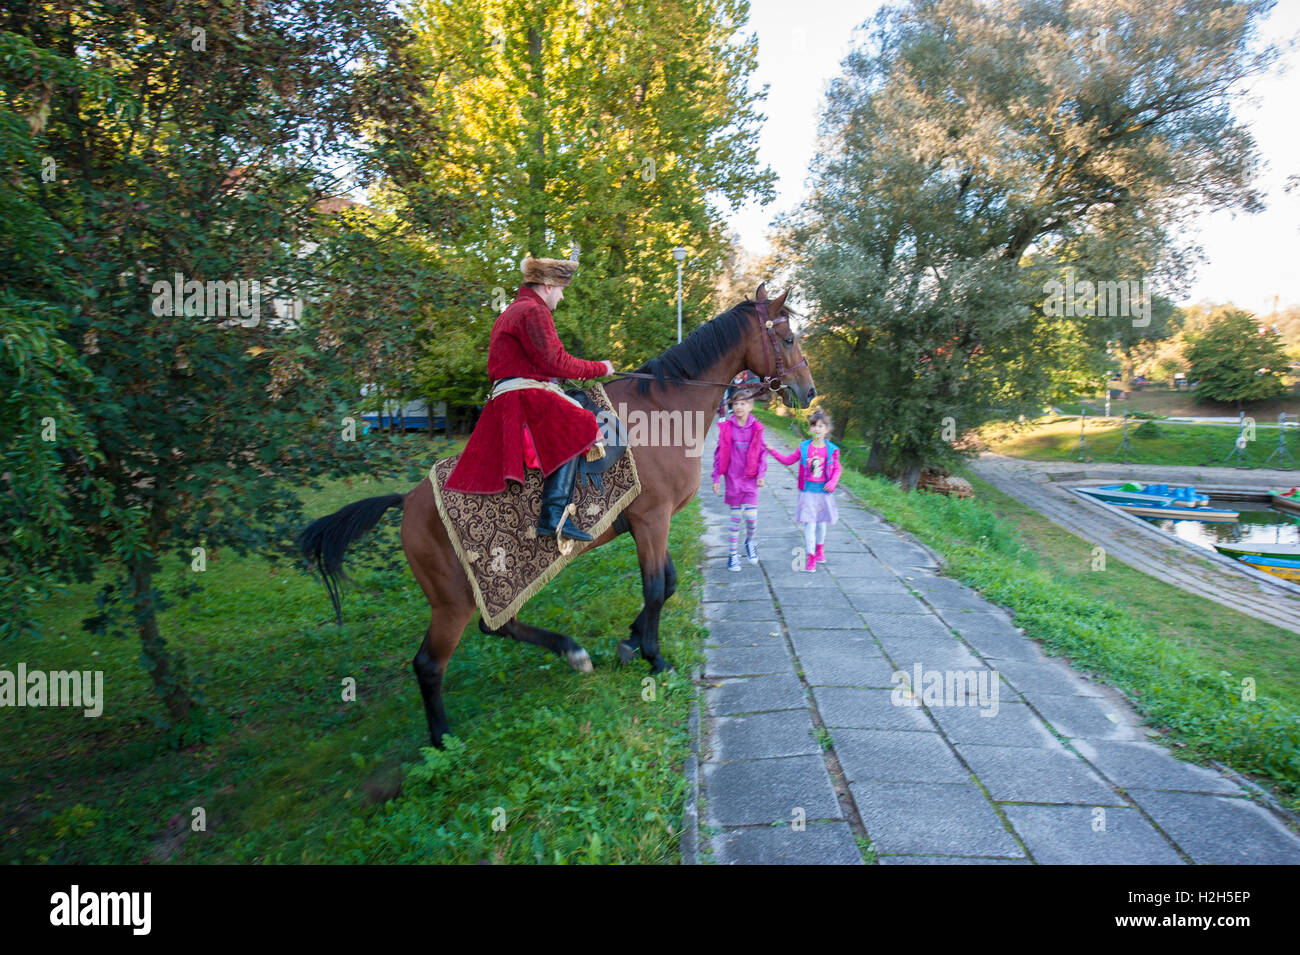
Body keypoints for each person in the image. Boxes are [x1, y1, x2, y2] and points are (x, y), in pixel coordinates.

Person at [443, 254, 615, 542]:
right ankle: (554, 515)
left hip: (513, 393)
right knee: (580, 422)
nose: (561, 298)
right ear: (547, 285)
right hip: (522, 396)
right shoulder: (534, 312)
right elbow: (556, 361)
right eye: (561, 290)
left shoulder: (515, 309)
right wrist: (601, 368)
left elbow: (538, 363)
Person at [768, 409, 841, 572]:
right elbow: (787, 461)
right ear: (810, 429)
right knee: (810, 525)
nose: (817, 429)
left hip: (824, 492)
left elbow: (837, 469)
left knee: (821, 524)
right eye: (814, 426)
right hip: (807, 492)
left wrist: (833, 482)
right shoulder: (803, 447)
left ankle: (820, 549)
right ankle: (811, 557)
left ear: (827, 429)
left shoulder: (832, 449)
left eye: (821, 426)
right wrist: (771, 450)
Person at [712, 394, 769, 571]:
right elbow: (719, 454)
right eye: (735, 404)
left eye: (743, 404)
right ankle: (732, 555)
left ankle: (750, 542)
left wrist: (761, 474)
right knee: (736, 519)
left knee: (751, 518)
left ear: (750, 406)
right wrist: (716, 477)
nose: (738, 407)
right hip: (733, 480)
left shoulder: (756, 428)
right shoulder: (728, 428)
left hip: (751, 480)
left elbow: (762, 453)